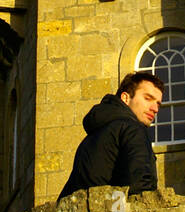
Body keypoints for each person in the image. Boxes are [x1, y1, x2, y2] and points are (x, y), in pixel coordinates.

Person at [58, 71, 164, 200]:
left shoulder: (92, 137)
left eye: (158, 104)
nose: (155, 109)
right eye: (148, 98)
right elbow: (139, 186)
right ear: (125, 98)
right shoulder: (133, 129)